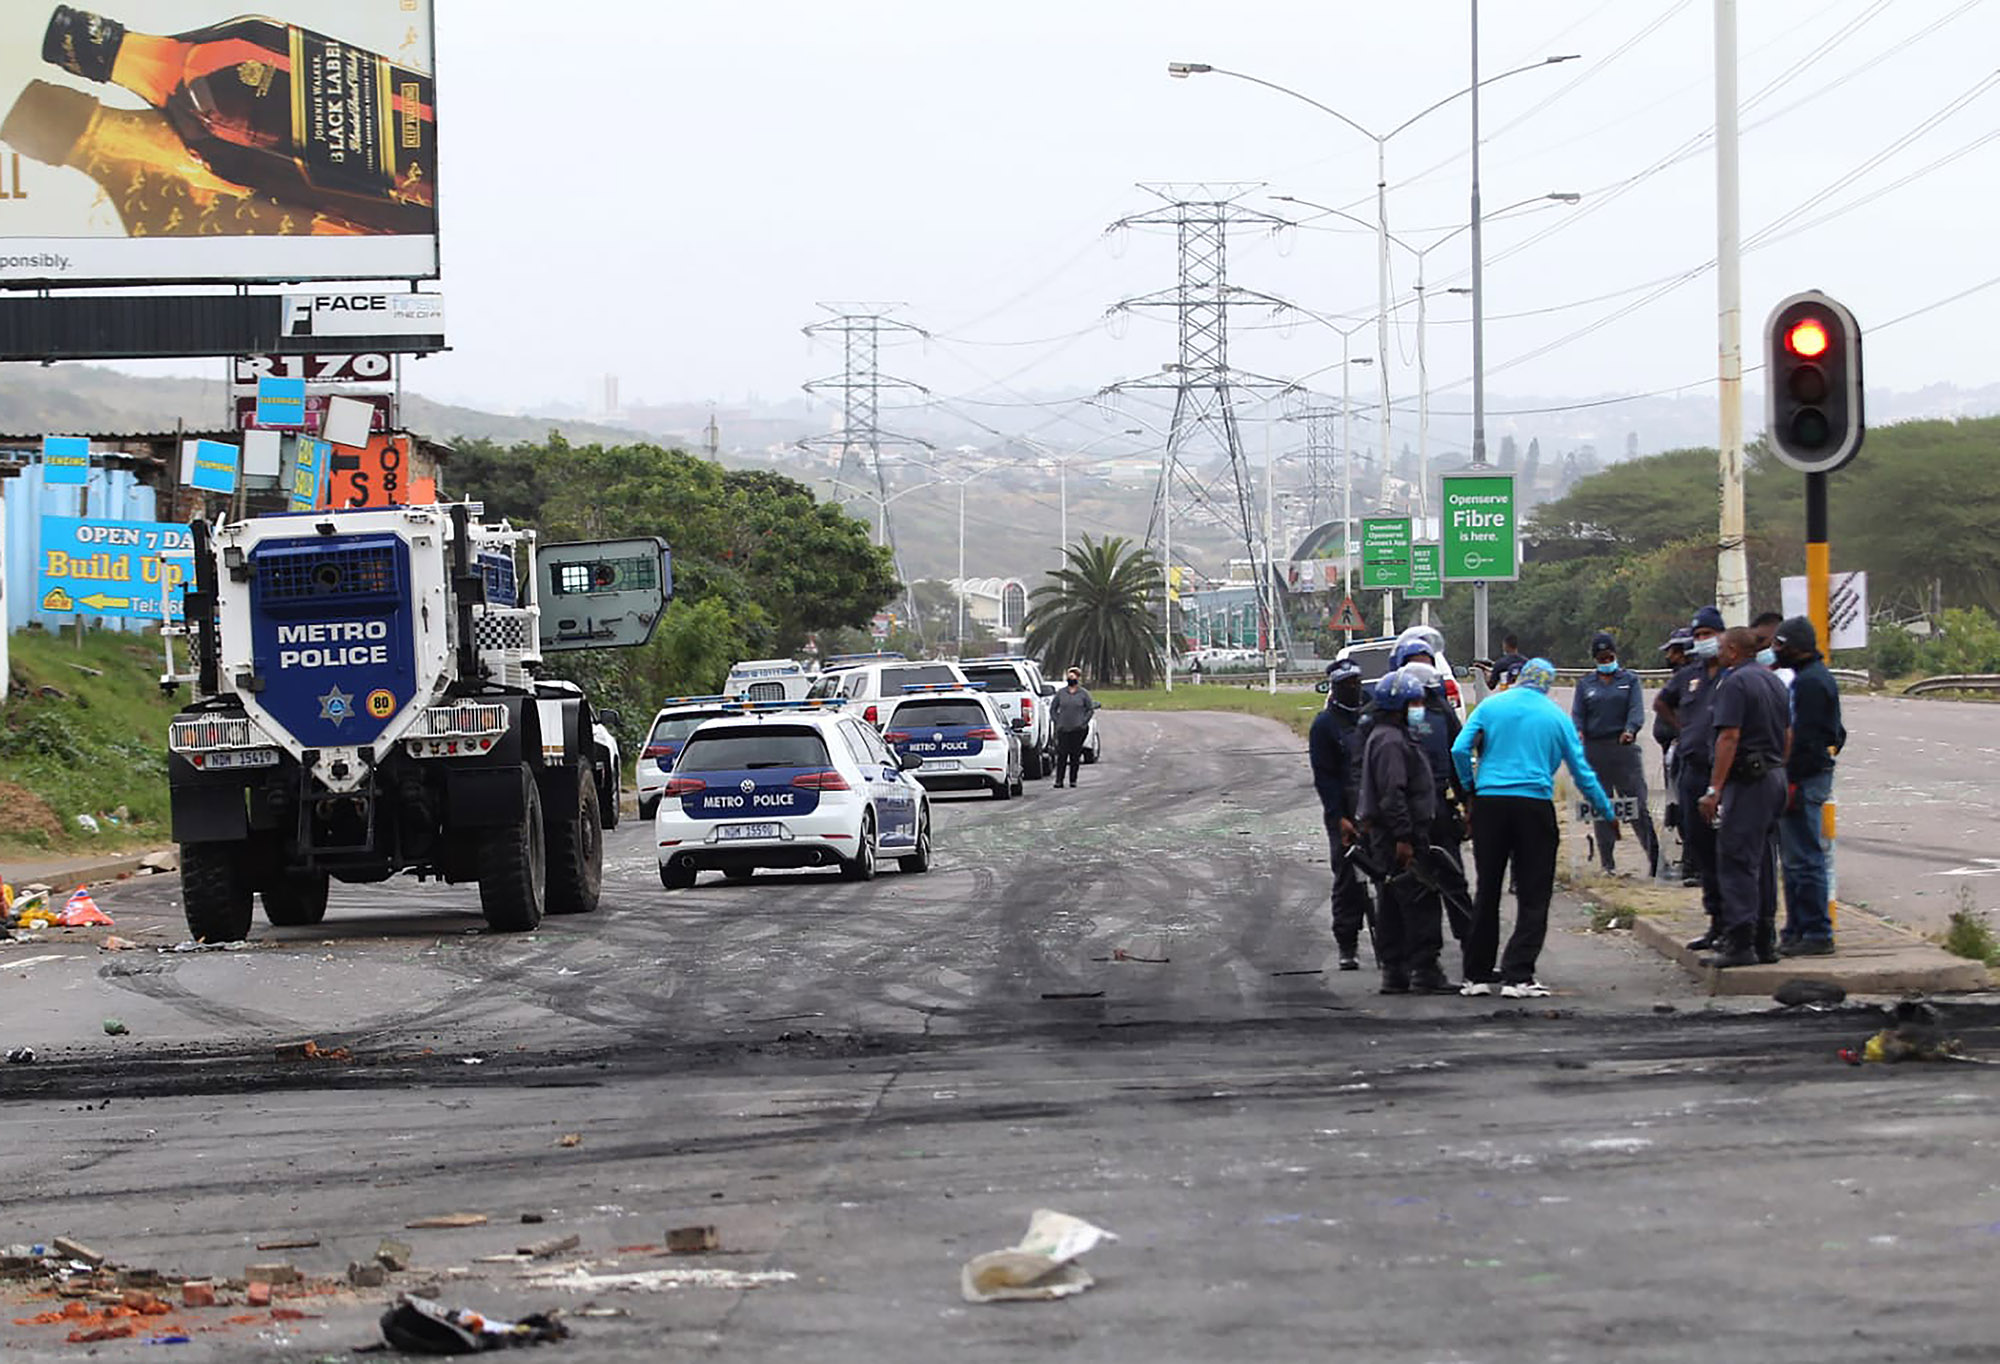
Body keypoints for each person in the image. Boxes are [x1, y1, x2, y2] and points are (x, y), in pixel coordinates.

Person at [1451, 659, 1615, 998]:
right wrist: (1605, 810)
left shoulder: (1491, 705)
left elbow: (1459, 748)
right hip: (1533, 805)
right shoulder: (1556, 717)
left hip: (1490, 803)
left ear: (1520, 678)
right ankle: (1518, 975)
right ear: (1548, 684)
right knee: (1533, 892)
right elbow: (1581, 771)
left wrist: (1470, 790)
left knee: (1488, 889)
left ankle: (1476, 975)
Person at [1698, 628, 1793, 968]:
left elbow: (1729, 736)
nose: (1717, 651)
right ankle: (1765, 940)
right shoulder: (1773, 681)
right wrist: (1779, 768)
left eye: (1722, 646)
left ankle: (1740, 942)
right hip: (1774, 775)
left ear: (1734, 651)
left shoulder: (1735, 683)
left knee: (1737, 857)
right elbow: (1787, 733)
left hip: (1748, 781)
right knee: (1764, 860)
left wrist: (1714, 789)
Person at [1357, 668, 1455, 995]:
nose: (1420, 708)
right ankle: (1424, 970)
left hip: (1397, 834)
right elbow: (1392, 793)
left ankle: (1397, 972)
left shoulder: (1392, 736)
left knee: (1394, 905)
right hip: (1399, 837)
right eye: (1415, 703)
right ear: (1400, 705)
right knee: (1418, 902)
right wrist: (1404, 837)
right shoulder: (1390, 741)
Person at [1773, 615, 1846, 956]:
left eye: (1780, 645)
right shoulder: (1807, 679)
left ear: (1797, 648)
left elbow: (1809, 737)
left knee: (1804, 858)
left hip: (1804, 777)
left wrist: (1791, 780)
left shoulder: (1811, 684)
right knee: (1793, 859)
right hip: (1804, 774)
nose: (1775, 651)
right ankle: (1798, 928)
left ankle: (1816, 932)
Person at [1656, 607, 1726, 934]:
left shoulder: (1734, 673)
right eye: (1697, 636)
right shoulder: (1689, 675)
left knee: (1730, 850)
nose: (1702, 641)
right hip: (1692, 770)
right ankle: (1715, 922)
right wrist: (1683, 728)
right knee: (1699, 848)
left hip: (1725, 774)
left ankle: (1739, 925)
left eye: (1707, 635)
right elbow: (1661, 702)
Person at [1571, 631, 1660, 878]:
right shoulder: (1585, 684)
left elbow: (1636, 710)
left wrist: (1631, 730)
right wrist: (1578, 731)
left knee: (1637, 806)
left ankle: (1655, 859)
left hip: (1623, 749)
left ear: (1615, 655)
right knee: (1602, 806)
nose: (1606, 660)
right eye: (1601, 657)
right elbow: (1578, 714)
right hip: (1595, 750)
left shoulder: (1629, 680)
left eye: (1609, 656)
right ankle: (1607, 864)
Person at [1309, 661, 1375, 970]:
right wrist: (1339, 817)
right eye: (1347, 683)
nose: (1355, 688)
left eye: (1357, 682)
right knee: (1348, 880)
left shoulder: (1371, 715)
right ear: (1334, 687)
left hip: (1377, 811)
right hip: (1345, 814)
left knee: (1390, 879)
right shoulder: (1324, 725)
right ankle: (1347, 945)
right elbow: (1325, 777)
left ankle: (1391, 943)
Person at [1048, 666, 1099, 789]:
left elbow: (1089, 709)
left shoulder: (1083, 694)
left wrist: (1083, 723)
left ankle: (1073, 780)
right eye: (1069, 676)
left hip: (1078, 730)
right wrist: (1057, 721)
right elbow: (1053, 709)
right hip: (1063, 729)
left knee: (1075, 755)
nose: (1071, 678)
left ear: (1078, 678)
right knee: (1062, 755)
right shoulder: (1061, 693)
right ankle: (1059, 780)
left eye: (1073, 676)